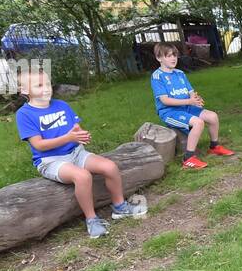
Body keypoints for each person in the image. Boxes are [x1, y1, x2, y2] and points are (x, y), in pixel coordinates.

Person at [15, 67, 146, 239]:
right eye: (39, 85)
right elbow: (39, 145)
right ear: (25, 91)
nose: (46, 88)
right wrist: (68, 137)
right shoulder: (24, 114)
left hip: (75, 153)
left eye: (48, 83)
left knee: (110, 166)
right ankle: (91, 220)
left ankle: (119, 207)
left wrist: (80, 135)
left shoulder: (61, 105)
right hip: (50, 160)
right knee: (83, 177)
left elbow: (75, 128)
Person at [150, 42, 235, 170]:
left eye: (174, 55)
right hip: (170, 112)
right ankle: (188, 158)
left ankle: (214, 147)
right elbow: (165, 100)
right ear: (159, 58)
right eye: (168, 56)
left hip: (187, 107)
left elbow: (190, 92)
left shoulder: (180, 73)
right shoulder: (157, 76)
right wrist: (189, 101)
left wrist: (196, 99)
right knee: (198, 123)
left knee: (212, 116)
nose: (173, 58)